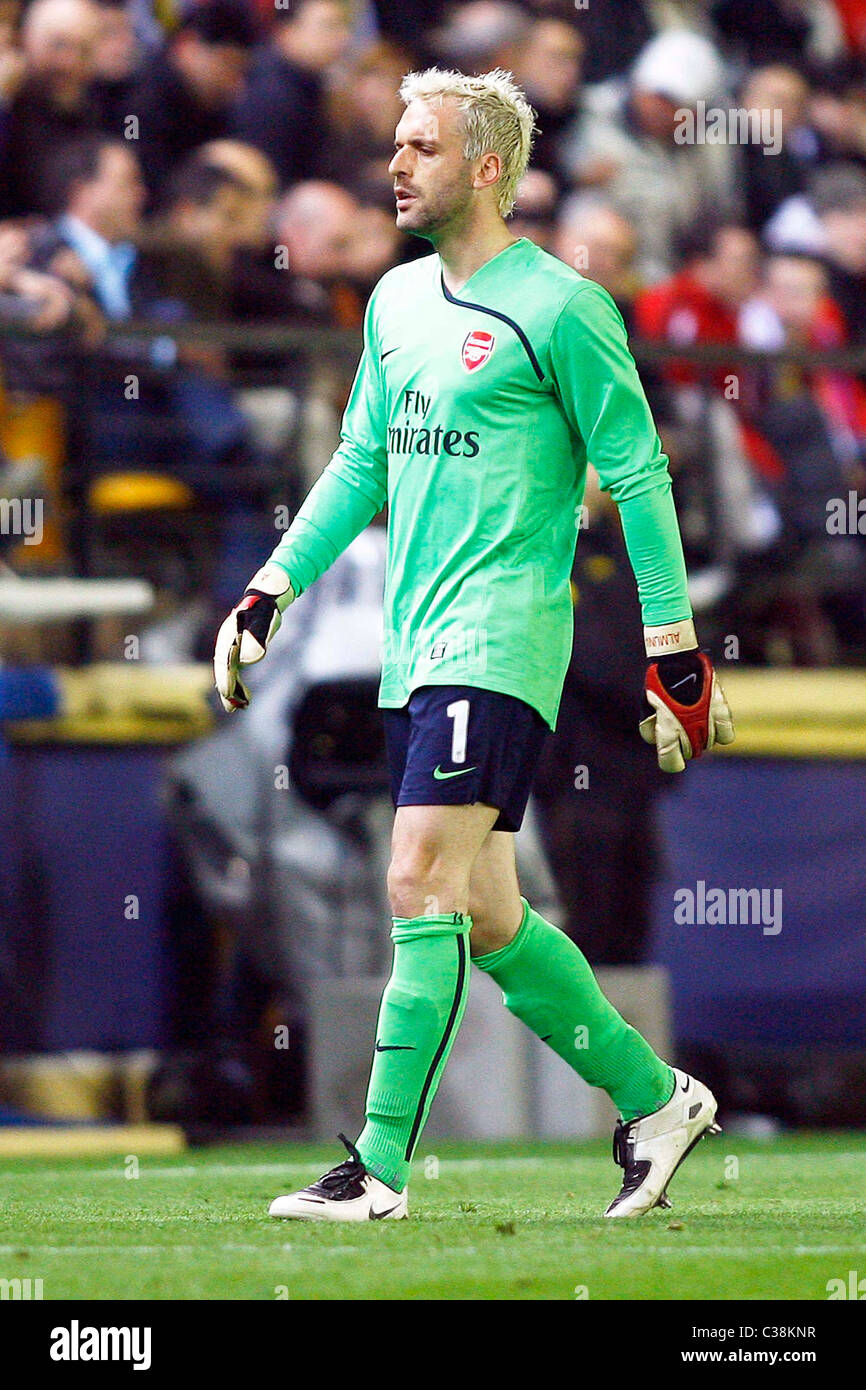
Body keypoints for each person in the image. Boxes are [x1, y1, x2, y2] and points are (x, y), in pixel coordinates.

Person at [214, 67, 735, 1223]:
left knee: (416, 877)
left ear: (485, 166)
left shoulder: (560, 305)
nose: (394, 166)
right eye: (393, 146)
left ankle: (380, 1164)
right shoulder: (394, 303)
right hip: (415, 643)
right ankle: (655, 1102)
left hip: (502, 635)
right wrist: (272, 582)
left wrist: (672, 643)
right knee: (489, 914)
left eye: (418, 147)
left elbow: (639, 471)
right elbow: (359, 462)